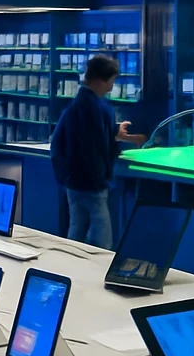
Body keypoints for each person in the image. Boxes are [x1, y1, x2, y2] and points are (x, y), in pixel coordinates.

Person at [50, 54, 142, 248]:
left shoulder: (72, 108)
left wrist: (64, 177)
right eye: (112, 80)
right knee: (102, 239)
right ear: (103, 80)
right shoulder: (103, 110)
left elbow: (57, 143)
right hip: (95, 184)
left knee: (76, 231)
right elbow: (104, 146)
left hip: (73, 183)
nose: (112, 85)